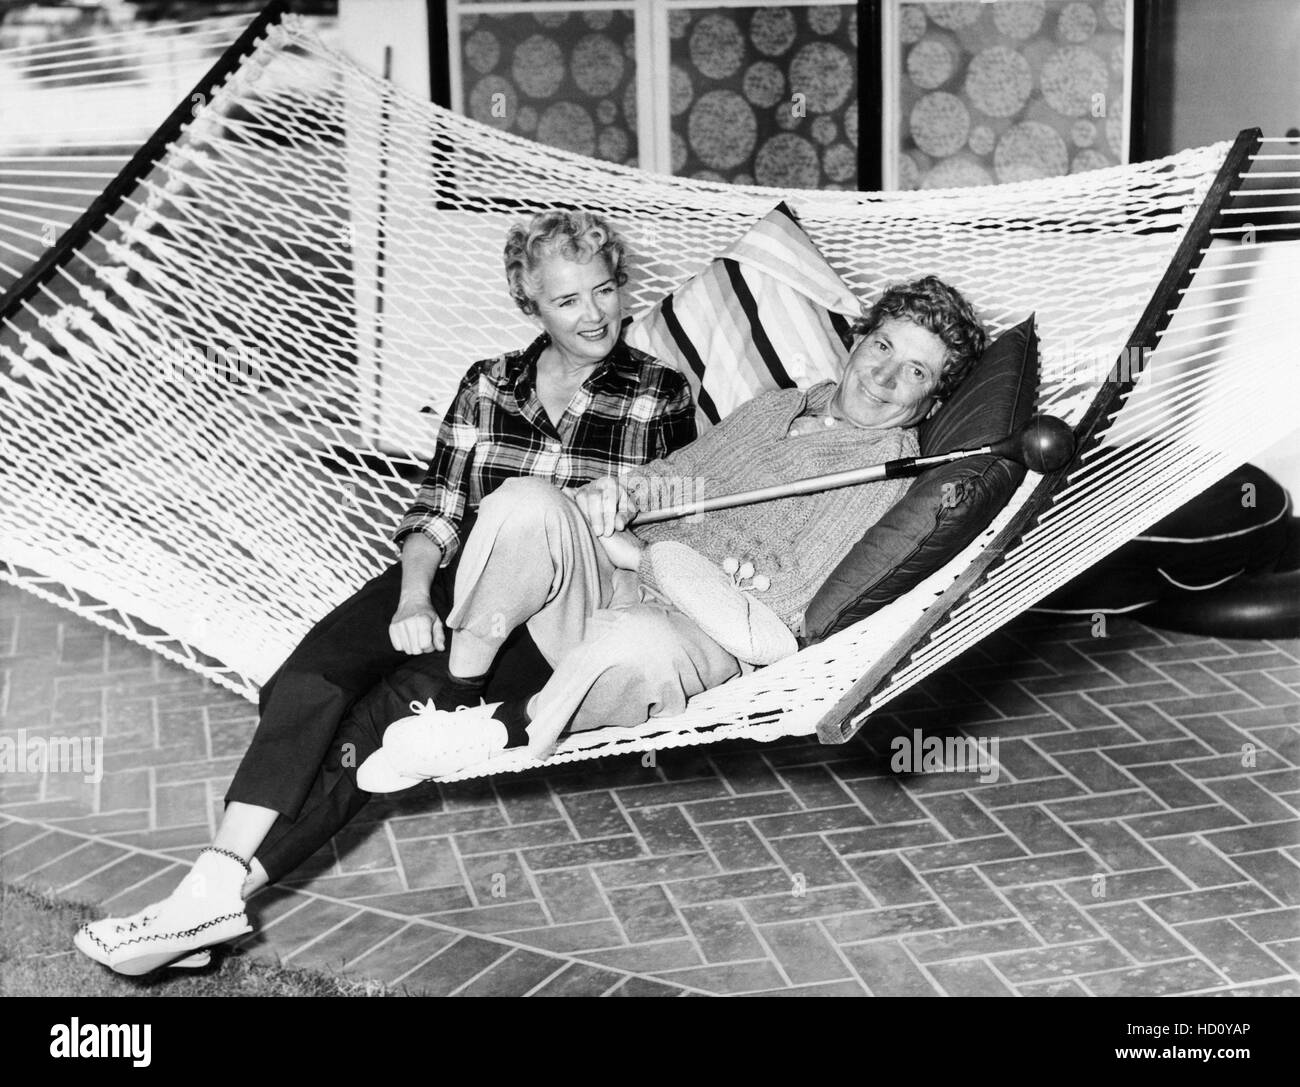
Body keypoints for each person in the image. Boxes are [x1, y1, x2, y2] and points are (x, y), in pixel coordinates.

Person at [74, 210, 697, 976]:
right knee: (310, 681)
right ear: (528, 304)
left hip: (541, 611)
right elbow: (437, 508)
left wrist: (623, 500)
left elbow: (669, 518)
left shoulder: (660, 393)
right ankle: (208, 895)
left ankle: (200, 906)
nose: (595, 313)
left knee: (378, 724)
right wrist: (412, 596)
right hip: (445, 570)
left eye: (605, 290)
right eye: (568, 300)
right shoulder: (488, 382)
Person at [357, 275, 988, 786]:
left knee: (637, 646)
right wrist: (616, 493)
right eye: (883, 348)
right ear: (858, 342)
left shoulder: (885, 478)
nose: (884, 377)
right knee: (524, 501)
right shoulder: (778, 407)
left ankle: (495, 734)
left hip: (693, 633)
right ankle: (460, 692)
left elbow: (776, 616)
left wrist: (641, 558)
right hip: (618, 580)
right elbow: (679, 475)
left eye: (915, 371)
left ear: (932, 400)